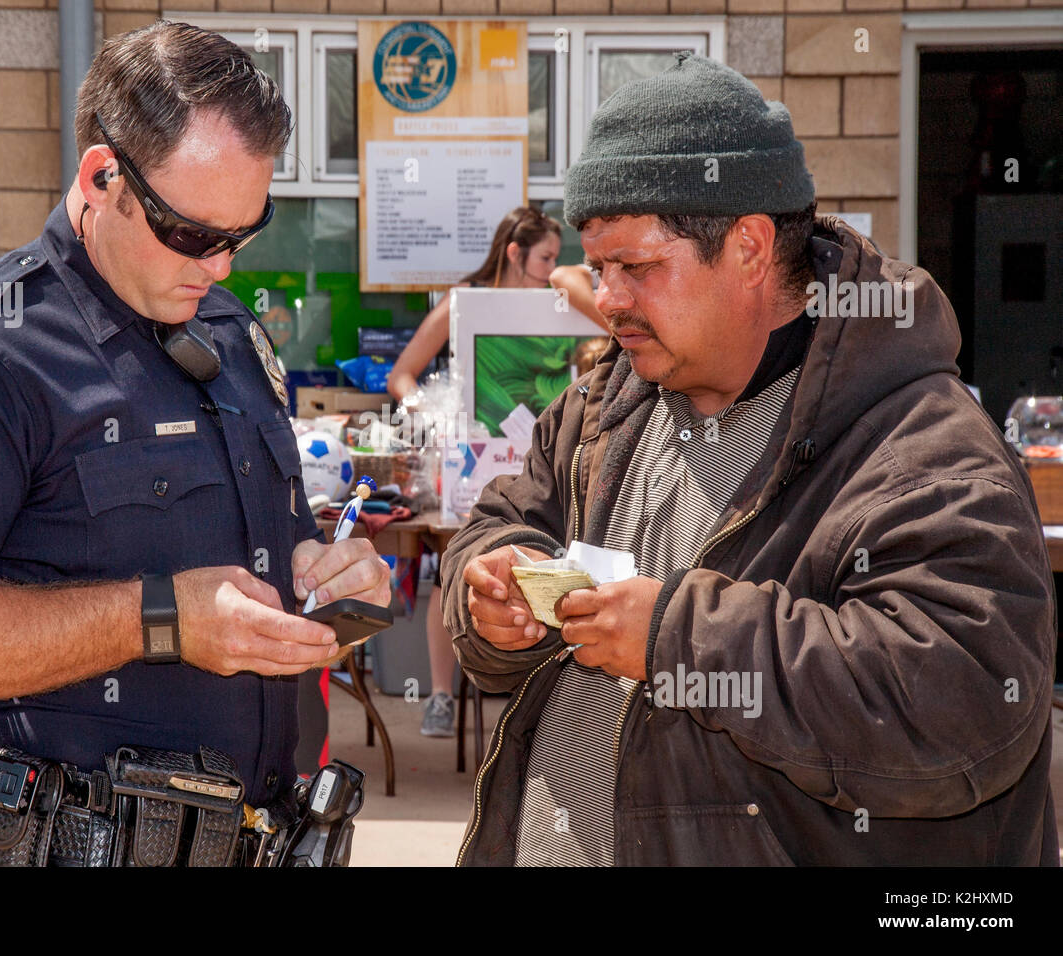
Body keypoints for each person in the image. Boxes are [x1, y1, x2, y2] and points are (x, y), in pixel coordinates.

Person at [442, 52, 1058, 865]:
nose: (610, 298)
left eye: (637, 266)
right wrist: (492, 589)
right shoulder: (606, 402)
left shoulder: (925, 448)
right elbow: (498, 524)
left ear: (750, 248)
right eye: (599, 268)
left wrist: (678, 637)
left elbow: (966, 708)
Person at [0, 22, 390, 861]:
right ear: (103, 177)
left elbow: (263, 550)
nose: (222, 266)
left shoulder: (229, 332)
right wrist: (160, 619)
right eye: (194, 233)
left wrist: (326, 570)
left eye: (245, 233)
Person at [386, 207, 603, 739]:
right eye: (545, 257)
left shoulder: (562, 302)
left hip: (546, 470)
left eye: (559, 257)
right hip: (474, 467)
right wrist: (429, 412)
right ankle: (440, 695)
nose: (554, 268)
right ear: (514, 252)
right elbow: (402, 375)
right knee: (456, 572)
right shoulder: (465, 304)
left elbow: (575, 291)